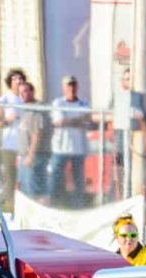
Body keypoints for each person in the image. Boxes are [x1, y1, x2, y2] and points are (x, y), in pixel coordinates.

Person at [50, 75, 91, 207]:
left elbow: (87, 121)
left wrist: (70, 121)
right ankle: (55, 205)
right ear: (64, 87)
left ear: (77, 86)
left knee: (78, 182)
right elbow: (58, 122)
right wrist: (78, 120)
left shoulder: (84, 103)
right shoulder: (58, 103)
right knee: (56, 179)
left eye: (73, 85)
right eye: (68, 85)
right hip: (60, 148)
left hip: (78, 149)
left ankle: (77, 207)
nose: (71, 88)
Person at [0, 68, 26, 211]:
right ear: (10, 82)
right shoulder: (4, 100)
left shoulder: (25, 99)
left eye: (20, 79)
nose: (18, 81)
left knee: (24, 178)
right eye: (14, 79)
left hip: (25, 144)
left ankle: (24, 208)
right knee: (10, 177)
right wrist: (8, 119)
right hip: (10, 144)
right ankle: (11, 207)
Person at [17, 81, 52, 204]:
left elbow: (38, 133)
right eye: (20, 92)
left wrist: (31, 156)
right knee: (26, 188)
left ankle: (41, 214)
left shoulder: (37, 108)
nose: (23, 95)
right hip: (24, 155)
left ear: (32, 92)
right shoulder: (24, 109)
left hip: (36, 155)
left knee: (35, 189)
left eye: (26, 91)